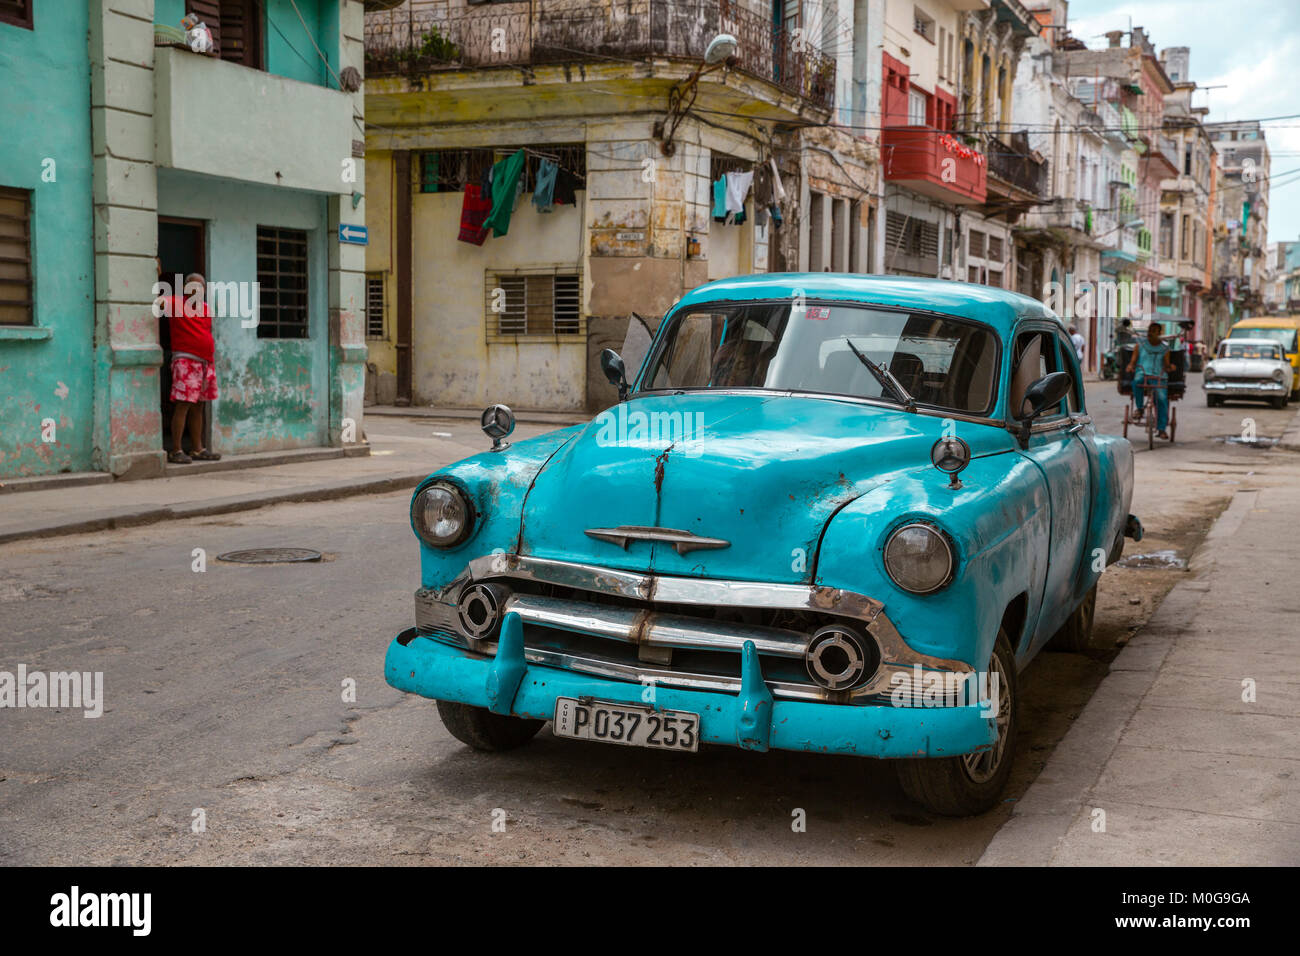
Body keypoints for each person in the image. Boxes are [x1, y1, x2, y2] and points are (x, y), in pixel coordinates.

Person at [166, 273, 221, 464]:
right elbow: (157, 303)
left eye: (200, 287)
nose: (197, 290)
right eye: (192, 286)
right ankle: (176, 450)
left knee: (199, 406)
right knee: (183, 405)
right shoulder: (175, 303)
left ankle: (198, 449)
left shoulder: (206, 309)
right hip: (185, 362)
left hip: (205, 363)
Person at [1126, 322, 1174, 440]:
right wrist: (1130, 366)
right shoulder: (1140, 345)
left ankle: (1161, 428)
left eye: (1153, 330)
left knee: (1162, 399)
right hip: (1142, 373)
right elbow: (1133, 361)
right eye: (1149, 330)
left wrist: (1171, 367)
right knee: (1137, 382)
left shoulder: (1165, 348)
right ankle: (1140, 408)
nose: (1150, 333)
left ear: (1159, 333)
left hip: (1159, 376)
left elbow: (1167, 365)